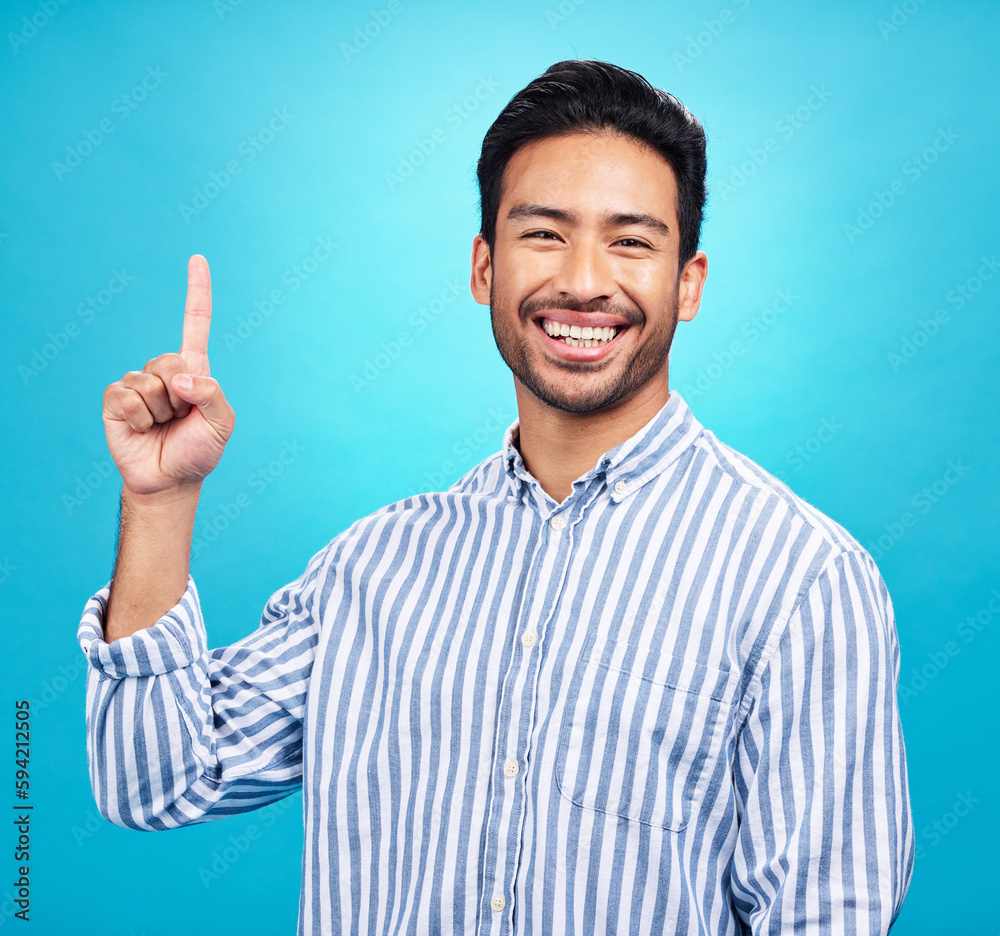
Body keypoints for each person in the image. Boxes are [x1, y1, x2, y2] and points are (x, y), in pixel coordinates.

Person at [78, 59, 914, 934]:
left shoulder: (801, 582)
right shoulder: (374, 569)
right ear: (484, 267)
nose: (585, 280)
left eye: (631, 240)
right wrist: (161, 503)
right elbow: (155, 781)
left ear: (689, 282)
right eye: (544, 233)